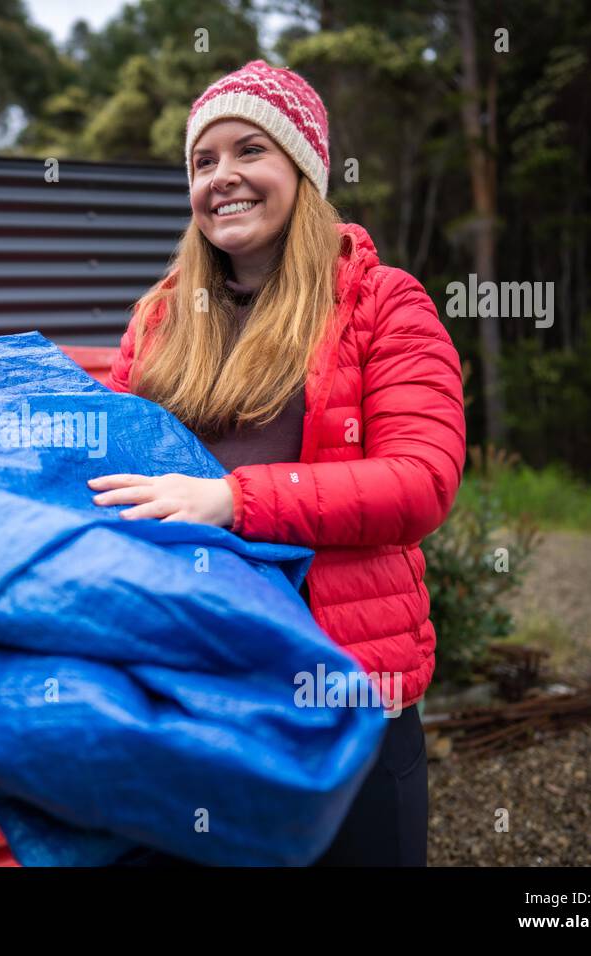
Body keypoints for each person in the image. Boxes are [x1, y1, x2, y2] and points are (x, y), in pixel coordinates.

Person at [89, 60, 466, 867]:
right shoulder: (161, 319)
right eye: (202, 162)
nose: (222, 177)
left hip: (342, 693)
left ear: (302, 168)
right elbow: (107, 469)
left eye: (249, 150)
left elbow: (421, 481)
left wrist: (233, 499)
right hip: (190, 691)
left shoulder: (382, 302)